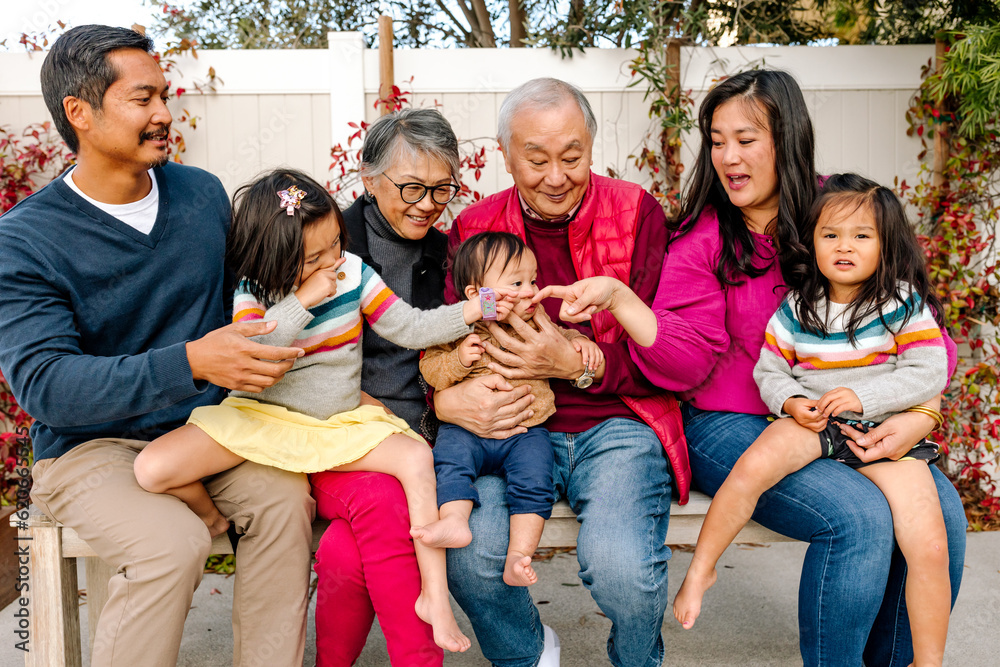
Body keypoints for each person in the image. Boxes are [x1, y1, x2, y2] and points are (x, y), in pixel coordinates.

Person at [537, 69, 966, 667]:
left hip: (853, 411)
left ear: (786, 140)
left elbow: (924, 333)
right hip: (727, 421)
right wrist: (626, 304)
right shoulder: (702, 240)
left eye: (746, 139)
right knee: (858, 518)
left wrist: (921, 411)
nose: (728, 157)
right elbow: (681, 367)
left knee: (943, 515)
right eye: (716, 140)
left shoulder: (839, 212)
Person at [0, 25, 314, 666]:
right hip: (91, 451)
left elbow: (247, 301)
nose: (165, 114)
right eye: (142, 99)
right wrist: (193, 361)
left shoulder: (199, 196)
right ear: (79, 113)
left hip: (208, 434)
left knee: (286, 504)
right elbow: (48, 387)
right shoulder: (25, 241)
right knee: (169, 546)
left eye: (163, 96)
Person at [132, 168, 516, 653]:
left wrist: (479, 306)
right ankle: (211, 520)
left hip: (336, 426)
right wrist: (301, 301)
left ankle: (434, 598)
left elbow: (412, 327)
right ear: (275, 259)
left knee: (417, 458)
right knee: (153, 468)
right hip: (261, 419)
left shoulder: (352, 274)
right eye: (314, 257)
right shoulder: (256, 290)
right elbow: (259, 349)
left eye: (336, 243)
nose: (332, 261)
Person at [432, 77, 687, 667]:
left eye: (571, 157)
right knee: (471, 554)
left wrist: (575, 366)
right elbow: (442, 337)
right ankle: (527, 655)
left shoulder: (636, 212)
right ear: (505, 154)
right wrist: (447, 400)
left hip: (619, 422)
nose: (555, 176)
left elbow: (664, 350)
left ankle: (636, 656)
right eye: (536, 159)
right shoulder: (473, 227)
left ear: (592, 147)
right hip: (507, 427)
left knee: (623, 568)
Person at [308, 108, 511, 666]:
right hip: (336, 435)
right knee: (388, 516)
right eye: (412, 187)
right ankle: (425, 637)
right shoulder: (326, 249)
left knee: (346, 554)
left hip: (423, 441)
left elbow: (462, 331)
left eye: (442, 188)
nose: (427, 203)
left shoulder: (446, 253)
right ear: (369, 179)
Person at [416, 232, 604, 587]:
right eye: (516, 283)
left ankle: (519, 555)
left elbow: (564, 336)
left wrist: (580, 341)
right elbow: (432, 370)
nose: (531, 291)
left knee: (535, 479)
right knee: (449, 462)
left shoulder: (538, 322)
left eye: (532, 280)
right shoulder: (457, 327)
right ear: (477, 294)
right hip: (466, 431)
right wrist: (458, 360)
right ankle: (455, 521)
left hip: (525, 431)